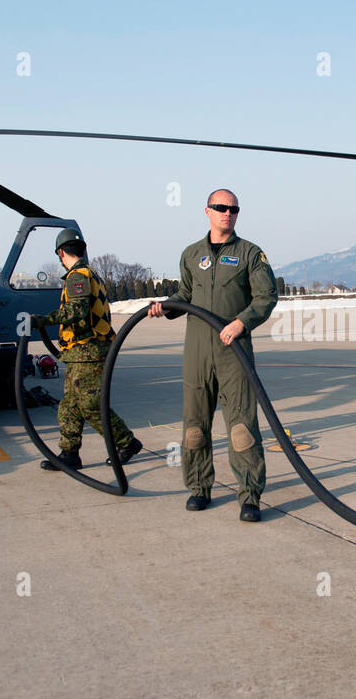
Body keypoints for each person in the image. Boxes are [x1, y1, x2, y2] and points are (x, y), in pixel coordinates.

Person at [148, 189, 278, 521]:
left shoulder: (251, 253)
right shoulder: (191, 254)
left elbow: (266, 296)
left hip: (233, 349)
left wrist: (241, 323)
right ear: (207, 211)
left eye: (234, 209)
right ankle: (198, 488)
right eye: (221, 208)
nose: (228, 213)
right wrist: (167, 307)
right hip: (197, 350)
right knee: (194, 426)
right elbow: (186, 294)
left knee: (241, 427)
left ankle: (249, 495)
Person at [30, 228, 143, 471]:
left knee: (91, 405)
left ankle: (126, 442)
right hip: (79, 353)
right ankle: (69, 454)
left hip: (89, 351)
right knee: (70, 405)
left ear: (61, 252)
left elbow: (77, 310)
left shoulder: (77, 276)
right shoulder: (90, 273)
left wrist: (43, 320)